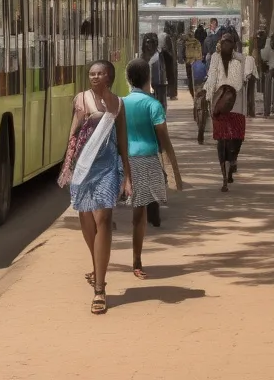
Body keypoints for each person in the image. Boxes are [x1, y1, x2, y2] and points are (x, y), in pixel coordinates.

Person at [58, 60, 132, 315]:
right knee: (87, 220)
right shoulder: (81, 100)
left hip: (108, 167)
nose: (95, 77)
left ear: (109, 76)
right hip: (84, 167)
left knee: (104, 216)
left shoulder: (119, 104)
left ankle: (99, 288)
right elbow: (73, 134)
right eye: (91, 74)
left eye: (100, 73)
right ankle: (97, 264)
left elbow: (123, 141)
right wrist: (68, 166)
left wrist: (128, 176)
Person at [123, 57, 183, 279]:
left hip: (125, 160)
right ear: (148, 78)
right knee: (141, 213)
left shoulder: (120, 103)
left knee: (132, 210)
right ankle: (137, 259)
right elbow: (163, 137)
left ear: (128, 79)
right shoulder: (153, 105)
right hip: (147, 159)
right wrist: (172, 165)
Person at [204, 32, 250, 191]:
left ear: (234, 44)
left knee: (236, 141)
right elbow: (211, 79)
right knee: (222, 141)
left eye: (230, 42)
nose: (226, 45)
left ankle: (233, 161)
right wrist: (208, 97)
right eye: (223, 42)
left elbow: (246, 80)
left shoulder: (242, 59)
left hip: (237, 105)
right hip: (219, 105)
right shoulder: (215, 59)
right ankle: (224, 176)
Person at [182, 28, 203, 97]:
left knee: (190, 80)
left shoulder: (185, 43)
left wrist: (186, 60)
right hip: (196, 63)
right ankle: (197, 96)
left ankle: (193, 95)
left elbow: (182, 54)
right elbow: (200, 53)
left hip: (188, 63)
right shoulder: (197, 42)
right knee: (197, 81)